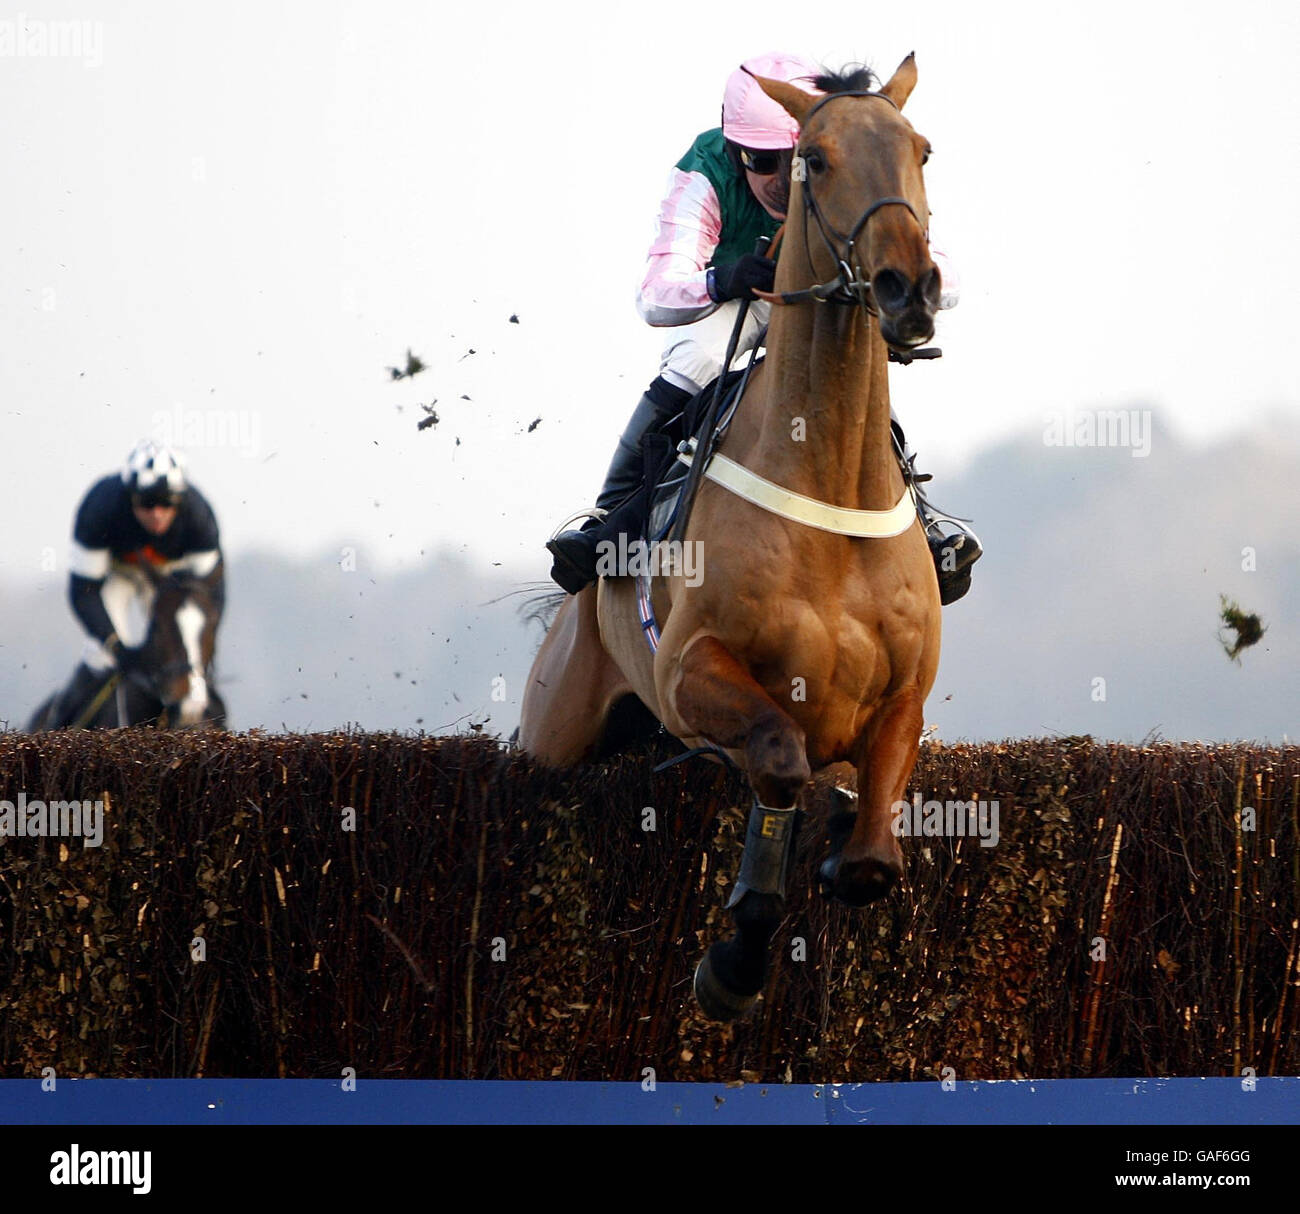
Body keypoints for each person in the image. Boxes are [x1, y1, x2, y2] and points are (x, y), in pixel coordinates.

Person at [546, 51, 982, 603]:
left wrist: (898, 294)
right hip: (727, 300)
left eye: (789, 160)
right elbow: (655, 295)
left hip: (813, 304)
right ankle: (609, 519)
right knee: (695, 361)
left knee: (856, 378)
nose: (778, 181)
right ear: (734, 152)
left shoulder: (846, 157)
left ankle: (923, 521)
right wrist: (720, 280)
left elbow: (945, 273)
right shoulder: (704, 169)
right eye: (758, 160)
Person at [44, 439, 225, 727]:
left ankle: (220, 732)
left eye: (167, 503)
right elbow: (84, 592)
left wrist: (202, 648)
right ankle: (58, 726)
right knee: (100, 656)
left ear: (180, 501)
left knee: (185, 650)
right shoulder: (100, 508)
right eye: (147, 502)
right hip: (115, 576)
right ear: (130, 498)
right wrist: (115, 646)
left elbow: (212, 593)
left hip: (168, 580)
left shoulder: (198, 516)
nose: (157, 513)